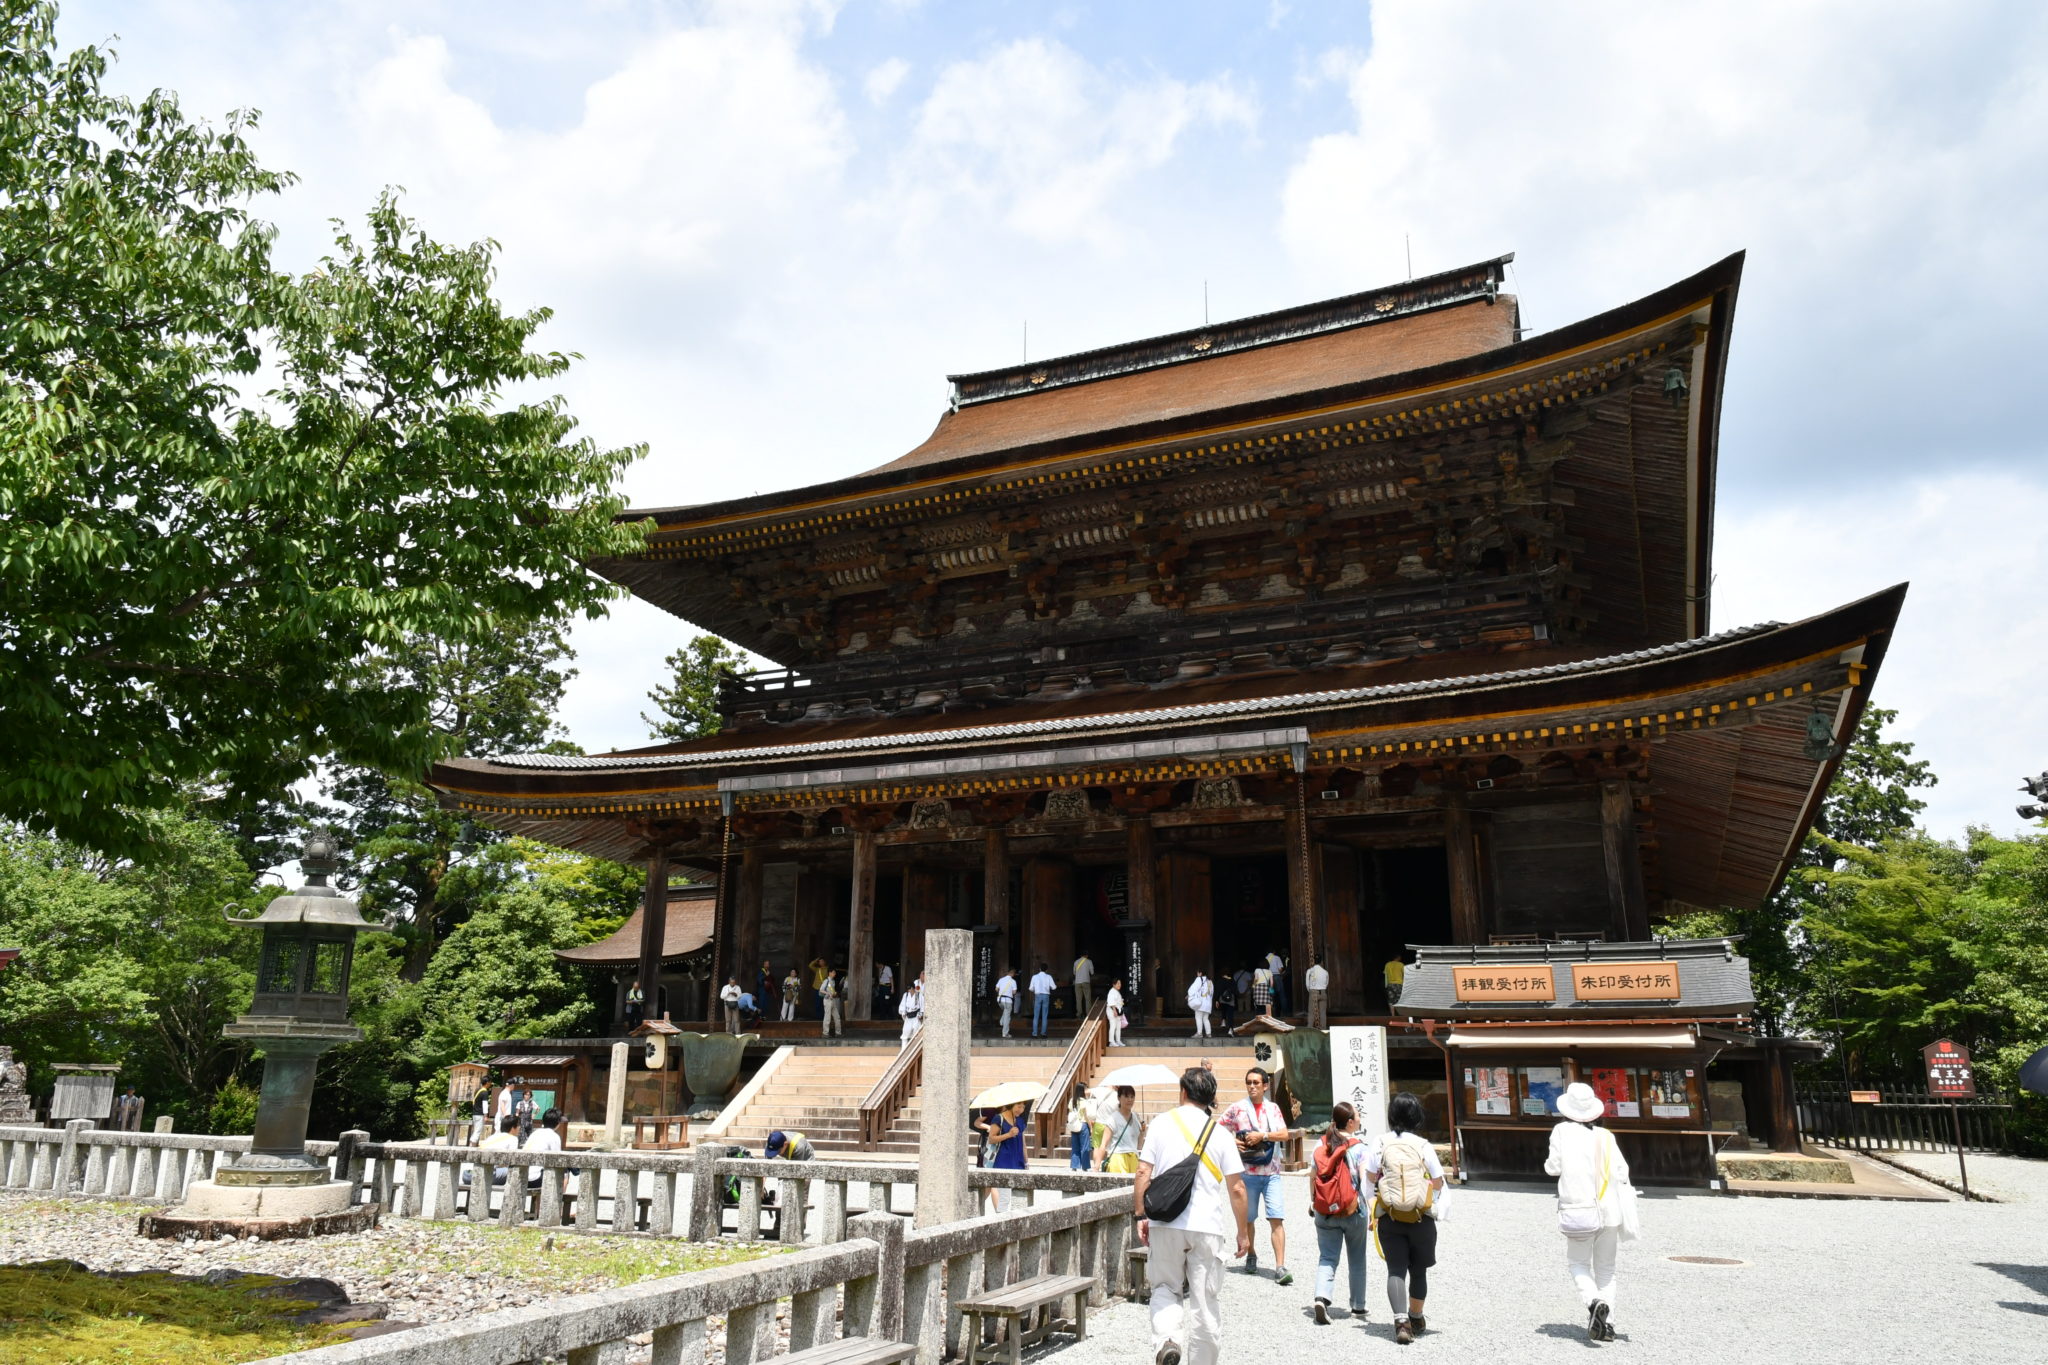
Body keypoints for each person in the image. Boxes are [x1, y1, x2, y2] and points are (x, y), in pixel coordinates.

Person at [1135, 1066, 1249, 1365]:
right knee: (1205, 1301)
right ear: (1211, 1098)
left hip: (1165, 1221)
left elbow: (1143, 1172)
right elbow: (1237, 1187)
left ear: (1182, 1092)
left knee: (1165, 1287)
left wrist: (1139, 1215)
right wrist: (1243, 1232)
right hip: (1206, 1224)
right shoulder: (1221, 1134)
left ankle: (1167, 1340)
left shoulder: (1160, 1124)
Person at [1546, 1081, 1636, 1343]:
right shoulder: (1606, 1136)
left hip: (1580, 1210)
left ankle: (1592, 1301)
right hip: (1610, 1209)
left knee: (1578, 1263)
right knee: (1607, 1269)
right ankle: (1608, 1325)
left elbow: (1553, 1167)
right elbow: (1622, 1172)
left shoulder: (1561, 1131)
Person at [1366, 1091, 1447, 1344]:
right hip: (1421, 1218)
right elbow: (1438, 1181)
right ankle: (1416, 1316)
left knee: (1396, 1270)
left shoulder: (1379, 1143)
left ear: (1392, 1116)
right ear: (1417, 1117)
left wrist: (1377, 1201)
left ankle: (1401, 1322)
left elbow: (1369, 1179)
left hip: (1390, 1217)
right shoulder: (1423, 1145)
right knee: (1419, 1270)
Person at [1220, 1065, 1298, 1284]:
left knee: (1276, 1217)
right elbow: (1218, 1128)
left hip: (1272, 1171)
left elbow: (1283, 1134)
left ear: (1265, 1086)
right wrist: (1235, 1141)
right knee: (1249, 1218)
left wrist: (1261, 1135)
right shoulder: (1237, 1109)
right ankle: (1252, 1254)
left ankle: (1280, 1266)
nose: (1252, 1086)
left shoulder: (1273, 1109)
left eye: (1256, 1083)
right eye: (1249, 1082)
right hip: (1248, 1171)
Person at [1310, 1101, 1372, 1325]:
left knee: (1327, 1256)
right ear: (1350, 1122)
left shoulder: (1321, 1143)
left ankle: (1321, 1297)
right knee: (1357, 1257)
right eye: (1357, 1115)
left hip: (1324, 1210)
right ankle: (1358, 1306)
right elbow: (1366, 1182)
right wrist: (1372, 1209)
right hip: (1353, 1210)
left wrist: (1313, 1202)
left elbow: (1313, 1175)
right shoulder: (1360, 1148)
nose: (1359, 1118)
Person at [981, 1101, 1029, 1209]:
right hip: (1003, 1160)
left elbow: (1023, 1143)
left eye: (1023, 1107)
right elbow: (991, 1138)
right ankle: (1000, 1220)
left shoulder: (1020, 1121)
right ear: (1011, 1105)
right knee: (1004, 1197)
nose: (1020, 1110)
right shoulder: (999, 1118)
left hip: (1018, 1161)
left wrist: (1026, 1162)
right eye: (1018, 1106)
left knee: (1020, 1197)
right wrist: (1008, 1134)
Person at [466, 1114, 521, 1189]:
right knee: (518, 1171)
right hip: (490, 1174)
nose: (519, 1128)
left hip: (471, 1175)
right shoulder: (513, 1139)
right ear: (512, 1128)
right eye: (518, 1125)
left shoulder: (492, 1137)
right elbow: (511, 1161)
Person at [1098, 1085, 1142, 1174]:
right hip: (1118, 1159)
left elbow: (1139, 1145)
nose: (1129, 1100)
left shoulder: (1136, 1117)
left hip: (1134, 1159)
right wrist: (1096, 1165)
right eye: (1126, 1096)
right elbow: (1103, 1144)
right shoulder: (1113, 1119)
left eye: (1132, 1097)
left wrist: (1143, 1132)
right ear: (1119, 1098)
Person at [1065, 1082, 1095, 1171]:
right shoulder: (1084, 1101)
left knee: (1075, 1147)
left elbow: (1070, 1113)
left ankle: (1075, 1165)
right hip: (1083, 1125)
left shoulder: (1072, 1100)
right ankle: (1085, 1166)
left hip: (1074, 1126)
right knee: (1085, 1147)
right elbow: (1086, 1116)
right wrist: (1091, 1127)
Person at [1028, 962, 1057, 1038]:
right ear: (1046, 970)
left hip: (1037, 995)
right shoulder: (1049, 977)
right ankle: (1043, 1033)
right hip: (1046, 996)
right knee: (1044, 1015)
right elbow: (1054, 987)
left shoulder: (1034, 977)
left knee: (1036, 1016)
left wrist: (1035, 990)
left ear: (1039, 969)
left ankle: (1034, 1034)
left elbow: (1030, 988)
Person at [897, 974, 925, 1045]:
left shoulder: (919, 995)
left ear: (913, 988)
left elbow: (922, 1006)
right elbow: (902, 1005)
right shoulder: (905, 995)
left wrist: (921, 1013)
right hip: (908, 1017)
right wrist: (903, 1012)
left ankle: (916, 1049)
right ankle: (903, 1050)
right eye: (908, 989)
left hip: (916, 1016)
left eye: (911, 989)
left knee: (916, 1034)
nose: (909, 990)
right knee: (905, 1034)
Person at [1304, 959, 1330, 1028]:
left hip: (1313, 992)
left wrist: (1311, 992)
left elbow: (1307, 984)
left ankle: (1310, 1028)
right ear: (1321, 962)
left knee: (1311, 1012)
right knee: (1322, 1013)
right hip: (1323, 992)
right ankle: (1323, 1029)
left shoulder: (1309, 971)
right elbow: (1326, 983)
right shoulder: (1325, 972)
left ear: (1313, 961)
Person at [1187, 971, 1212, 1038]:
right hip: (1208, 1003)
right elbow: (1211, 993)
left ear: (1200, 973)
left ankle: (1199, 1033)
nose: (1197, 974)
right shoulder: (1210, 981)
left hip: (1201, 1002)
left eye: (1198, 973)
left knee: (1198, 1017)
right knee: (1206, 1018)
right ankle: (1208, 1033)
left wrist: (1189, 995)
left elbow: (1192, 989)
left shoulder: (1199, 979)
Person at [996, 967, 1019, 1038]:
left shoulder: (1001, 979)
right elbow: (1014, 992)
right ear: (1013, 974)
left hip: (1000, 1000)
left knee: (1005, 1011)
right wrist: (1010, 992)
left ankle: (1001, 1021)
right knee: (1007, 1017)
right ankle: (1005, 1033)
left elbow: (996, 989)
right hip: (1008, 1001)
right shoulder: (1013, 981)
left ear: (1008, 972)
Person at [820, 968, 844, 1037]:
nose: (834, 974)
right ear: (829, 973)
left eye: (835, 973)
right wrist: (828, 993)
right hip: (827, 1000)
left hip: (832, 1000)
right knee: (827, 1017)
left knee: (837, 1017)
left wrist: (834, 993)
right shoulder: (826, 981)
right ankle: (825, 1033)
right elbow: (821, 990)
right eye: (833, 972)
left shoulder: (833, 981)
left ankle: (838, 1033)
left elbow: (832, 991)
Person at [1105, 977, 1128, 1047]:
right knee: (1113, 1026)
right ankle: (1111, 1041)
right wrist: (1114, 1011)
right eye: (1118, 983)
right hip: (1112, 1012)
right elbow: (1111, 1002)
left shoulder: (1116, 991)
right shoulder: (1111, 992)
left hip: (1118, 1012)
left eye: (1120, 983)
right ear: (1113, 984)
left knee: (1118, 1027)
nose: (1119, 985)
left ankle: (1118, 1041)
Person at [1266, 950, 1289, 1015]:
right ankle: (1285, 1013)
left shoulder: (1266, 958)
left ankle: (1271, 1013)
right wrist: (1281, 974)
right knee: (1282, 995)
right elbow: (1280, 969)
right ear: (1274, 952)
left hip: (1269, 977)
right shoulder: (1276, 957)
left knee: (1271, 995)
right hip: (1277, 977)